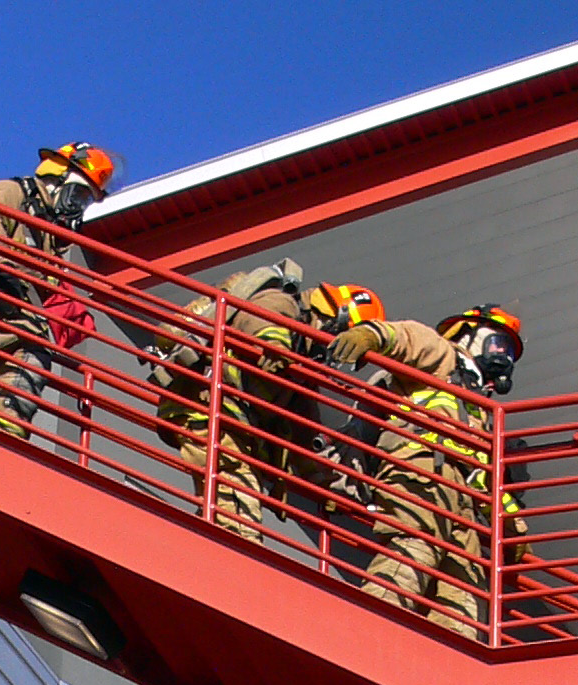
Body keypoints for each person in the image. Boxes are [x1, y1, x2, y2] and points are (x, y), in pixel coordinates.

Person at [323, 304, 525, 631]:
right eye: (497, 343)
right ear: (467, 335)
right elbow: (405, 337)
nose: (503, 356)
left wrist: (513, 525)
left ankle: (451, 667)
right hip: (422, 473)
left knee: (468, 590)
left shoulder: (481, 408)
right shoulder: (443, 355)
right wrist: (369, 335)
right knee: (411, 556)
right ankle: (371, 633)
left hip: (462, 502)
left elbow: (485, 474)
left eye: (509, 352)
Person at [0, 140, 117, 439]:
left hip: (1, 312)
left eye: (85, 201)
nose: (78, 206)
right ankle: (3, 428)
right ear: (57, 178)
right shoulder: (12, 192)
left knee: (28, 356)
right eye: (78, 194)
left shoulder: (49, 235)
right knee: (31, 352)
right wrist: (6, 272)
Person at [154, 256, 315, 540]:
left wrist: (318, 477)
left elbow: (299, 423)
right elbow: (265, 316)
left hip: (215, 415)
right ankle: (232, 562)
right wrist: (274, 342)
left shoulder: (300, 358)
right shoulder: (283, 303)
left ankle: (204, 551)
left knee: (220, 500)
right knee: (238, 509)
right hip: (210, 409)